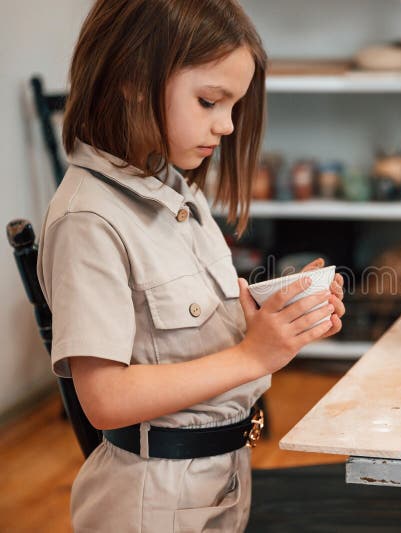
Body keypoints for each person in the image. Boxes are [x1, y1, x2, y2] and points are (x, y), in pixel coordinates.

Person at [36, 1, 345, 530]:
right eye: (209, 101)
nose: (226, 126)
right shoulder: (87, 220)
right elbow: (105, 400)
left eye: (233, 107)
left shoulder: (178, 192)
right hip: (152, 504)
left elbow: (184, 336)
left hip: (218, 482)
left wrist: (275, 322)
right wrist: (253, 355)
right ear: (133, 77)